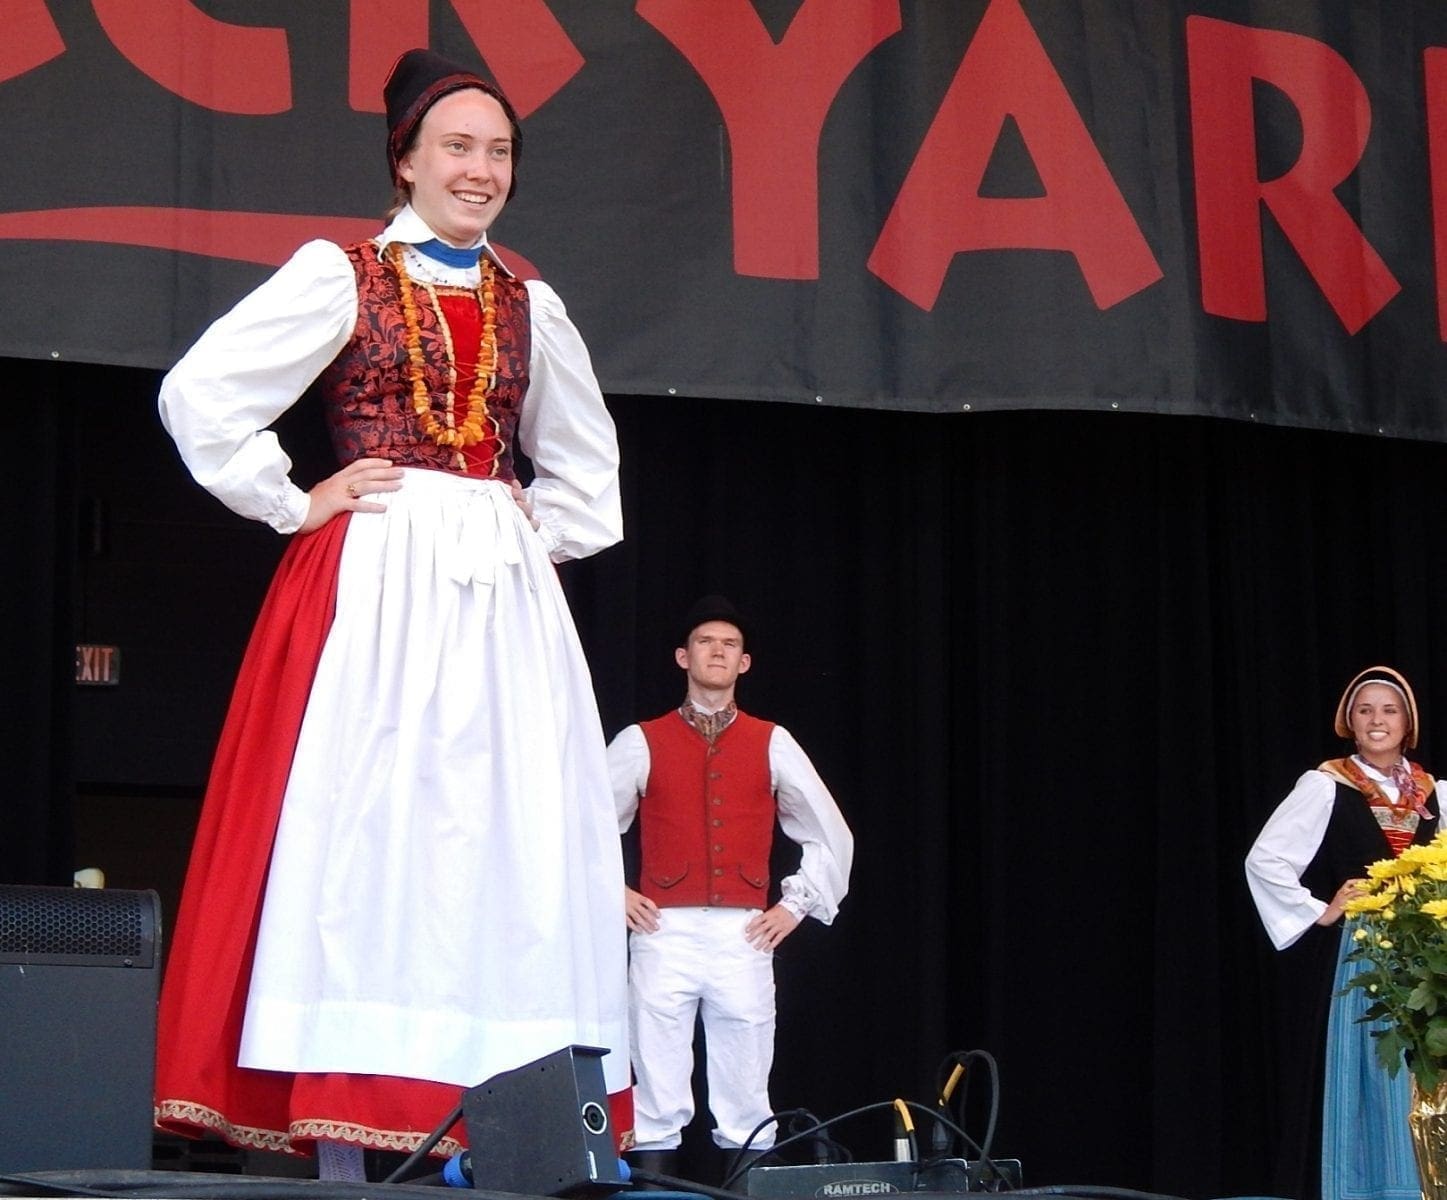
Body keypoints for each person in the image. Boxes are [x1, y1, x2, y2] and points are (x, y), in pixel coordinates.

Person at [152, 48, 630, 1178]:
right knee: (371, 828)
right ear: (405, 160)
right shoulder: (344, 276)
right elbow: (200, 395)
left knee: (506, 838)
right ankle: (349, 1134)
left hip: (500, 606)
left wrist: (524, 529)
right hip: (377, 583)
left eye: (498, 151)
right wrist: (294, 499)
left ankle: (508, 1125)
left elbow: (586, 473)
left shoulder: (530, 305)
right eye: (457, 147)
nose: (480, 170)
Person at [607, 596, 854, 1180]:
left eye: (730, 644)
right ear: (683, 656)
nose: (717, 652)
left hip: (743, 934)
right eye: (705, 642)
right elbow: (583, 824)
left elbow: (829, 831)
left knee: (745, 1088)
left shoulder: (772, 741)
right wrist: (613, 891)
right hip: (664, 930)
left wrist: (794, 906)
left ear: (744, 662)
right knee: (656, 1085)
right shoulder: (642, 739)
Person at [1245, 665, 1445, 1200]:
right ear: (1349, 723)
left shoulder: (1434, 793)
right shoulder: (1327, 785)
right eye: (1365, 710)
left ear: (1407, 724)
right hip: (1362, 950)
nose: (1377, 720)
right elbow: (1265, 859)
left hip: (1424, 951)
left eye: (1389, 710)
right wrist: (1322, 909)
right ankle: (1365, 1186)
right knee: (1366, 1061)